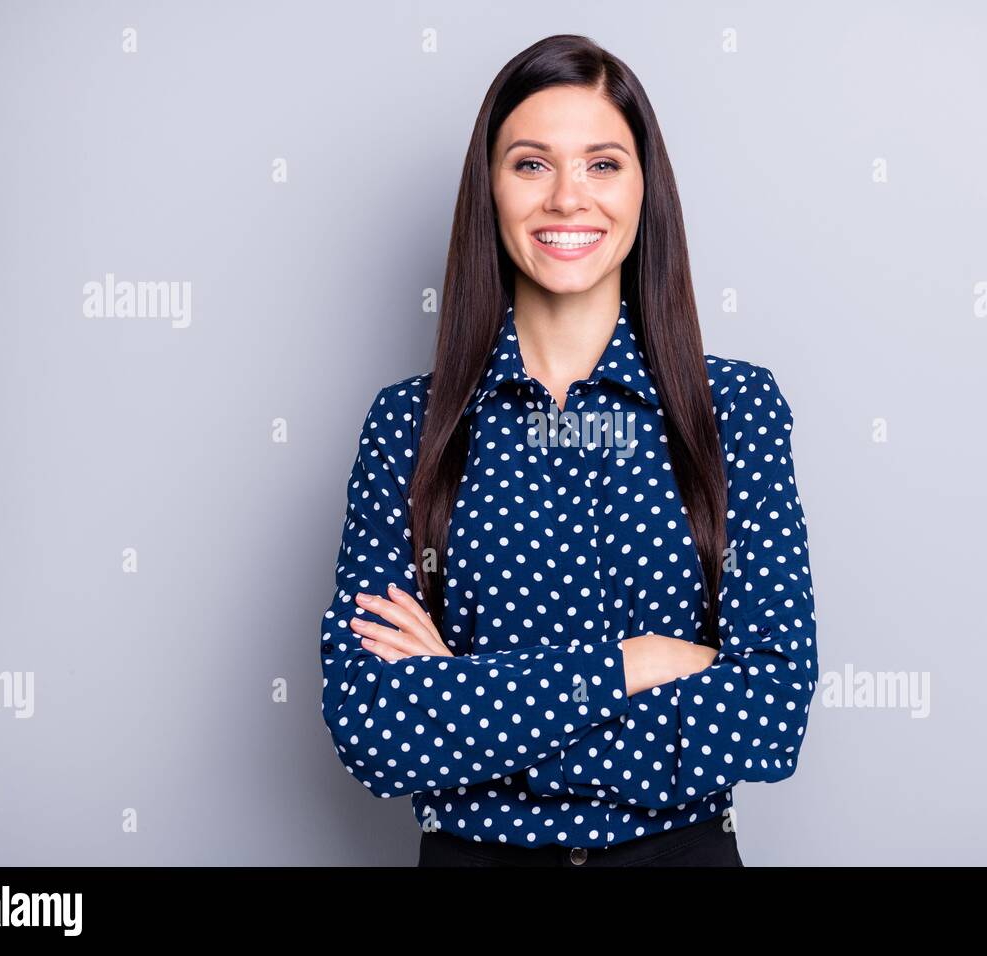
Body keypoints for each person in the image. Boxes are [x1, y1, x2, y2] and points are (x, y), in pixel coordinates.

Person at [318, 34, 818, 867]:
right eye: (530, 164)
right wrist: (639, 663)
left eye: (602, 164)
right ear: (490, 191)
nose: (566, 198)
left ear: (643, 189)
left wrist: (465, 706)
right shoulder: (408, 425)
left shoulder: (734, 410)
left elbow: (767, 715)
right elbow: (375, 729)